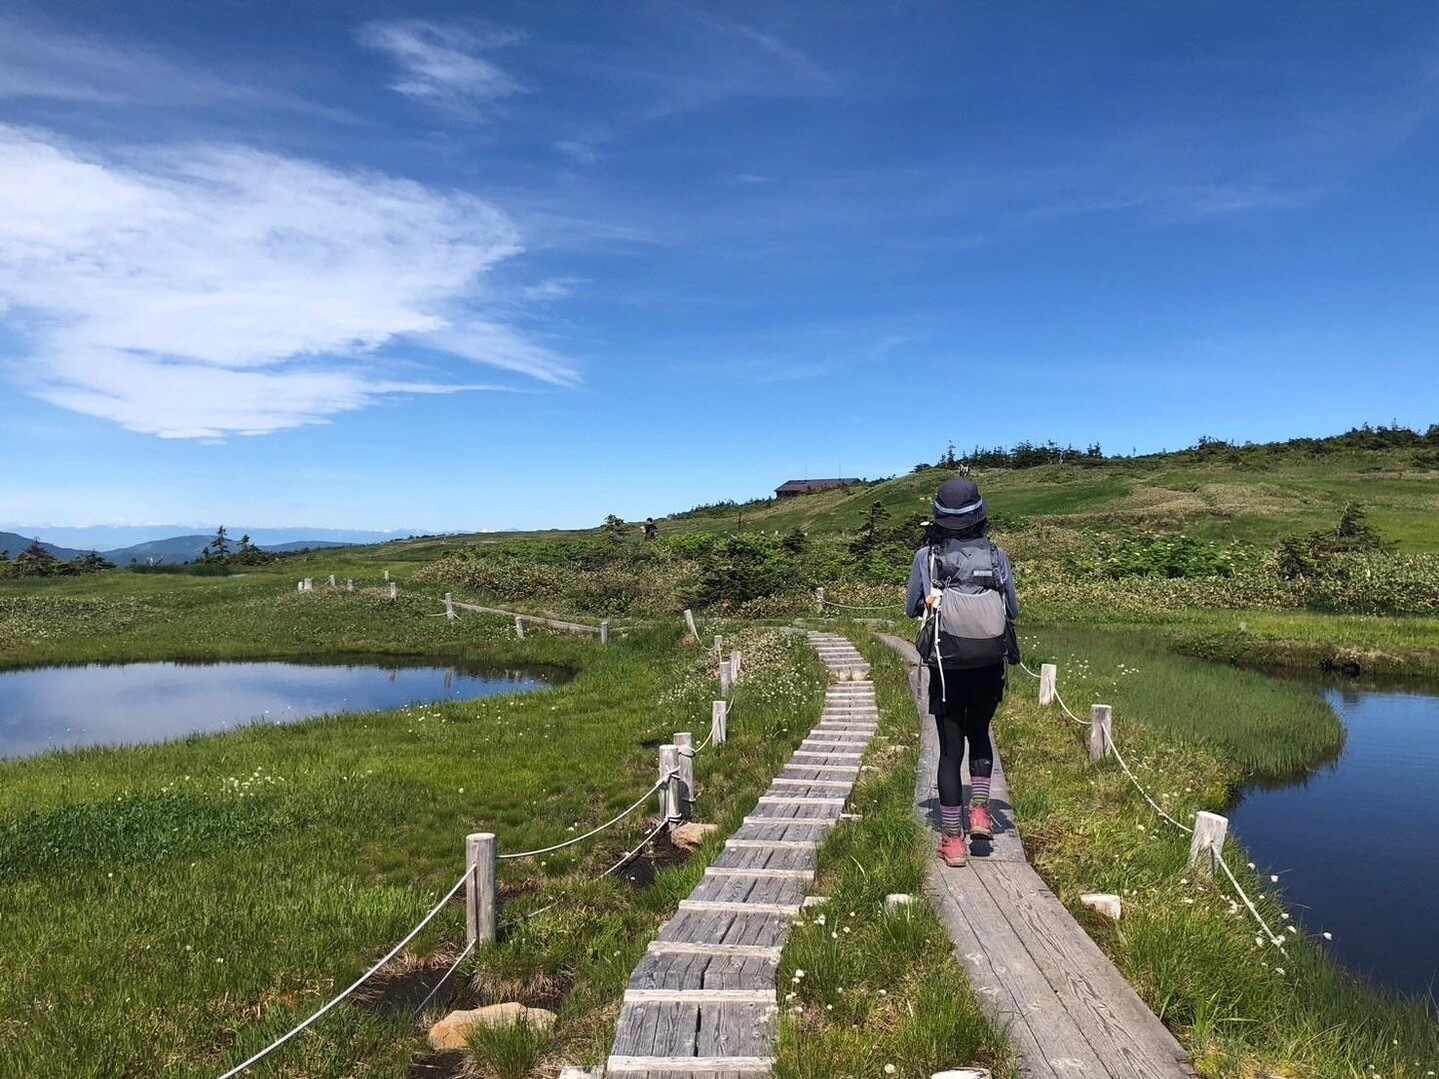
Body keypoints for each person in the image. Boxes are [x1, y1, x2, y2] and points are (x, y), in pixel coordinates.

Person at [904, 477, 1020, 868]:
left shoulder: (927, 557)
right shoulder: (996, 555)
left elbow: (910, 609)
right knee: (980, 735)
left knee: (950, 749)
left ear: (939, 516)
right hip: (989, 662)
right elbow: (1013, 611)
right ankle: (982, 814)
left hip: (947, 662)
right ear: (979, 515)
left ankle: (953, 841)